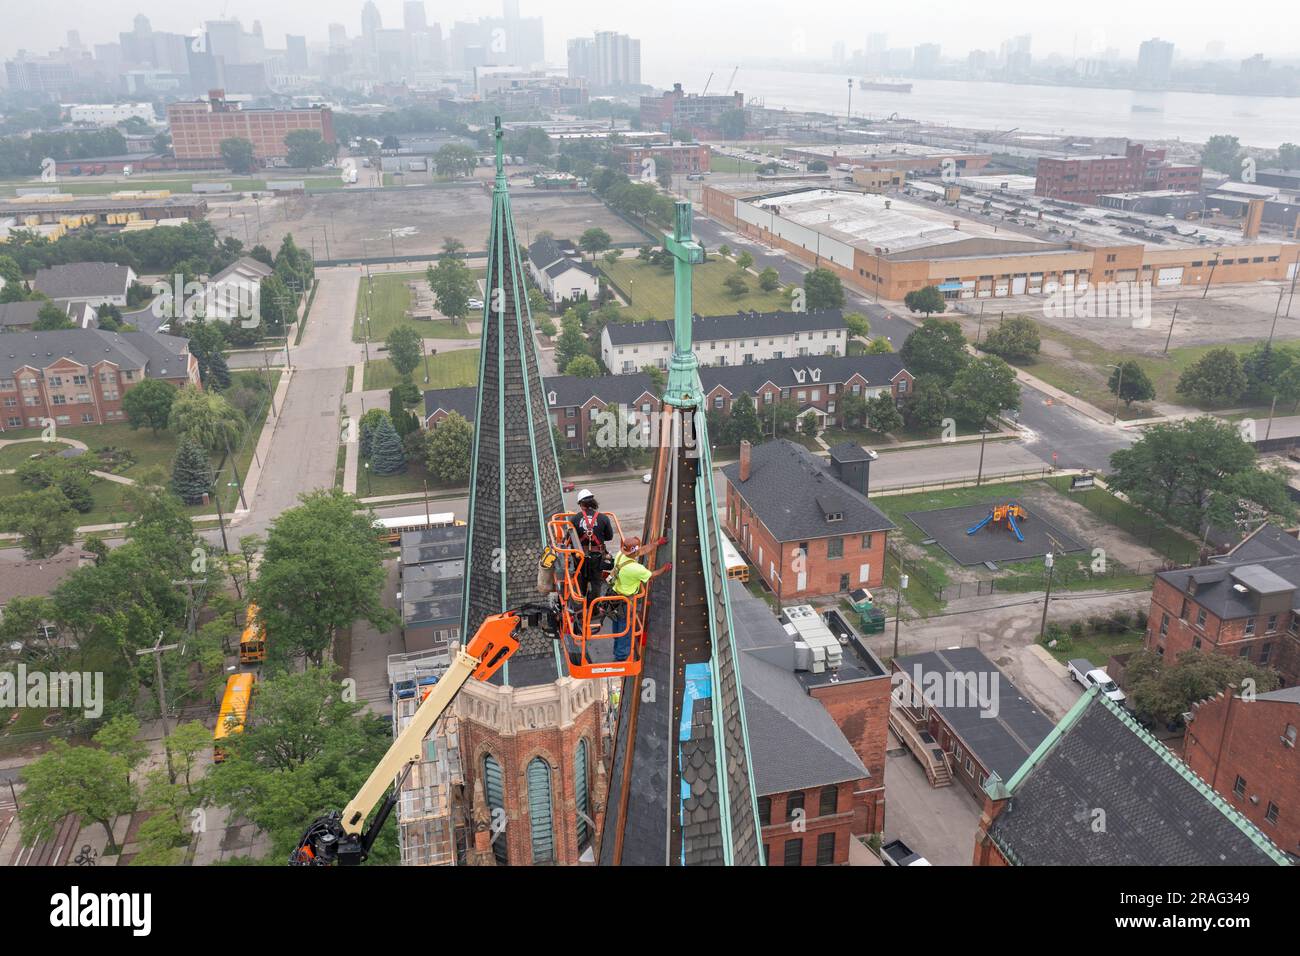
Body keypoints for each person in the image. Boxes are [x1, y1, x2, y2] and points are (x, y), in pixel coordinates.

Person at [606, 536, 671, 662]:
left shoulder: (620, 555)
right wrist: (665, 568)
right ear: (634, 552)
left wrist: (657, 543)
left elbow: (642, 550)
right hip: (625, 601)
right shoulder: (636, 569)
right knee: (626, 627)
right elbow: (652, 575)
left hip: (614, 595)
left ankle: (617, 648)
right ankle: (621, 656)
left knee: (617, 621)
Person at [568, 489, 614, 603]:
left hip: (580, 556)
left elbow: (569, 539)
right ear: (593, 502)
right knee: (596, 581)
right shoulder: (603, 518)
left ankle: (581, 602)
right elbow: (609, 537)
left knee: (581, 578)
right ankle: (594, 608)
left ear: (581, 504)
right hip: (597, 557)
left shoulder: (574, 519)